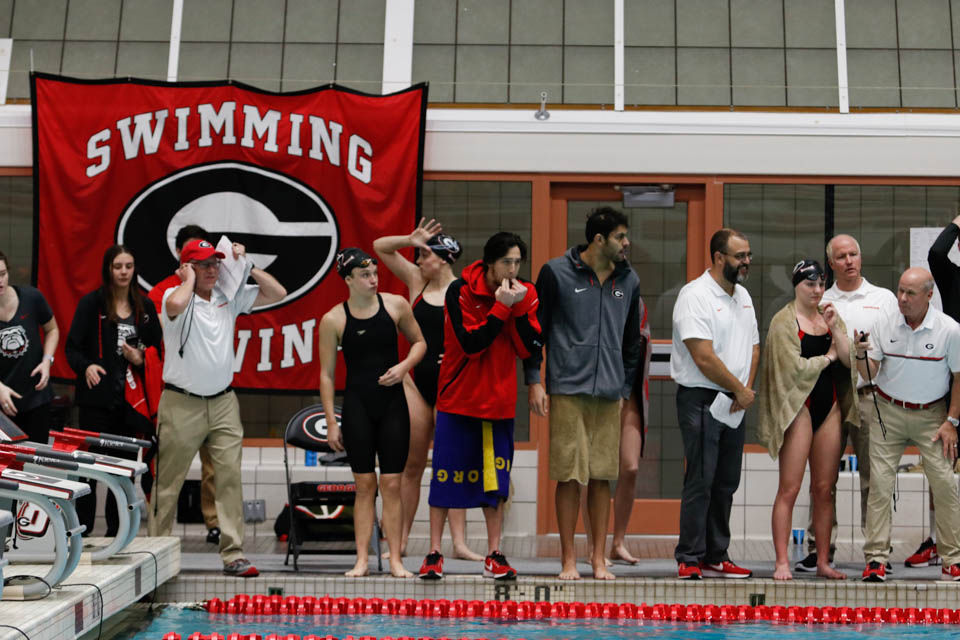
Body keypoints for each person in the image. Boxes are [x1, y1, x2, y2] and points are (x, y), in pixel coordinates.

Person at [149, 239, 286, 577]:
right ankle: (155, 553)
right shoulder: (174, 295)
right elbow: (177, 305)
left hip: (224, 401)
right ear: (187, 267)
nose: (212, 270)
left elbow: (278, 293)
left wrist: (248, 264)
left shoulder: (229, 296)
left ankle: (233, 553)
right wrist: (188, 280)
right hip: (181, 402)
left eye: (215, 264)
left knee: (228, 479)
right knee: (168, 483)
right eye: (203, 264)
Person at [527, 207, 643, 580]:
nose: (627, 244)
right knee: (569, 475)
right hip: (567, 388)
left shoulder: (629, 280)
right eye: (620, 237)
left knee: (600, 476)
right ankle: (567, 560)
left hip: (609, 393)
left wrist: (624, 387)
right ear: (599, 239)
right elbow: (535, 330)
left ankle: (596, 560)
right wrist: (535, 380)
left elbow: (631, 343)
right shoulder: (556, 273)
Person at [418, 232, 541, 581]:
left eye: (518, 262)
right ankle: (433, 553)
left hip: (498, 404)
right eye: (507, 262)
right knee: (444, 479)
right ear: (490, 263)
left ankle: (494, 554)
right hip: (458, 400)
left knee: (495, 483)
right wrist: (502, 308)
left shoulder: (525, 293)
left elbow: (529, 347)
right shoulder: (460, 291)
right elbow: (472, 343)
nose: (513, 269)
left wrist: (515, 308)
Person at [372, 219, 482, 561]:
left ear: (444, 259)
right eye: (417, 256)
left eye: (425, 255)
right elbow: (379, 247)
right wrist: (409, 238)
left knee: (454, 464)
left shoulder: (466, 290)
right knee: (412, 465)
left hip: (453, 384)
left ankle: (459, 543)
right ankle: (400, 539)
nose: (419, 261)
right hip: (416, 384)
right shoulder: (417, 282)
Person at [318, 248, 426, 578]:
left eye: (375, 274)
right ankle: (362, 559)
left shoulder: (396, 305)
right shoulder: (334, 319)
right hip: (357, 407)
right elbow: (326, 374)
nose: (373, 280)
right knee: (364, 485)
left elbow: (420, 342)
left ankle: (395, 559)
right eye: (365, 276)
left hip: (393, 406)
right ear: (348, 280)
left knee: (392, 483)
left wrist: (403, 367)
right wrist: (332, 423)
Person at [795, 234, 897, 573]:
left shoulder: (883, 298)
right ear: (831, 263)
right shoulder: (820, 298)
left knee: (875, 479)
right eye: (841, 256)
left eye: (854, 253)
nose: (849, 260)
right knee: (823, 480)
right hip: (832, 398)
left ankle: (877, 553)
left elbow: (895, 347)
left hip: (871, 396)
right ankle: (818, 548)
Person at [854, 267, 960, 582]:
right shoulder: (884, 322)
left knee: (944, 484)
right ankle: (876, 559)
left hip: (933, 416)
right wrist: (861, 354)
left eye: (910, 293)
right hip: (888, 411)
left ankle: (952, 559)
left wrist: (952, 421)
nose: (902, 298)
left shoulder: (949, 330)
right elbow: (868, 371)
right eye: (900, 290)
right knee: (880, 486)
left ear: (929, 295)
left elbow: (959, 378)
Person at [757, 259, 857, 580]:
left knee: (824, 489)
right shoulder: (782, 322)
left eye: (820, 284)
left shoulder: (830, 316)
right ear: (796, 285)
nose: (816, 290)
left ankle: (823, 560)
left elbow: (847, 358)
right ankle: (782, 561)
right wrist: (825, 358)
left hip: (828, 407)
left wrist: (835, 328)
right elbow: (792, 370)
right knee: (790, 487)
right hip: (797, 407)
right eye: (809, 284)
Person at [670, 228, 759, 580]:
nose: (747, 261)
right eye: (740, 256)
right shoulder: (695, 296)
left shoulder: (743, 296)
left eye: (748, 254)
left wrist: (745, 390)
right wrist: (740, 389)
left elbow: (753, 346)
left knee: (726, 481)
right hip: (702, 399)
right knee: (701, 479)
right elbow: (703, 357)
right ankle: (689, 556)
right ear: (719, 258)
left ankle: (716, 554)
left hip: (735, 400)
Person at [66, 245, 162, 536]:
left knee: (119, 472)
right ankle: (81, 533)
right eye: (118, 266)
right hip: (97, 402)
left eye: (128, 266)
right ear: (108, 269)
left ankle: (116, 533)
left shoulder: (145, 308)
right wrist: (86, 367)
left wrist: (141, 358)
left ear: (134, 269)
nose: (123, 272)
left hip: (131, 404)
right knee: (90, 469)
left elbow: (157, 349)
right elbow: (72, 348)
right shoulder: (91, 304)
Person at [148, 224, 221, 545]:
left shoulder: (219, 290)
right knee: (169, 471)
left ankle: (215, 522)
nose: (204, 266)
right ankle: (159, 538)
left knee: (216, 466)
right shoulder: (164, 291)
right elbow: (165, 325)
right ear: (181, 257)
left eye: (208, 260)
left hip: (215, 389)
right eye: (195, 258)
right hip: (178, 390)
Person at [910, 215, 960, 568]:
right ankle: (937, 539)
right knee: (941, 463)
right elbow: (936, 254)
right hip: (954, 382)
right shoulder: (953, 278)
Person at [608, 297, 652, 565]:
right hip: (598, 390)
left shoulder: (635, 300)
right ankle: (593, 546)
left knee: (630, 467)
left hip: (630, 389)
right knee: (594, 472)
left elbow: (643, 341)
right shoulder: (591, 293)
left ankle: (618, 541)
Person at [0, 251, 58, 442]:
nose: (0, 281)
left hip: (36, 397)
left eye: (2, 274)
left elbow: (52, 329)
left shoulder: (31, 297)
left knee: (36, 462)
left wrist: (47, 361)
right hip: (3, 401)